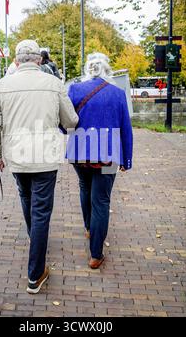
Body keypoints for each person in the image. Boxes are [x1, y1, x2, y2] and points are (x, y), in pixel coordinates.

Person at [0, 40, 78, 294]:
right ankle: (35, 274)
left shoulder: (3, 86)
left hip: (18, 155)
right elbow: (71, 120)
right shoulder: (54, 84)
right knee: (41, 210)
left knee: (26, 198)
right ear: (39, 60)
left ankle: (34, 239)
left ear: (16, 61)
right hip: (45, 156)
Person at [67, 52, 133, 270]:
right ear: (107, 69)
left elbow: (64, 121)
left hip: (80, 153)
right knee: (102, 200)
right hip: (109, 156)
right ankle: (96, 255)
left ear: (88, 69)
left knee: (85, 187)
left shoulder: (75, 90)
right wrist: (127, 158)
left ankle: (88, 227)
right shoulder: (117, 93)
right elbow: (125, 127)